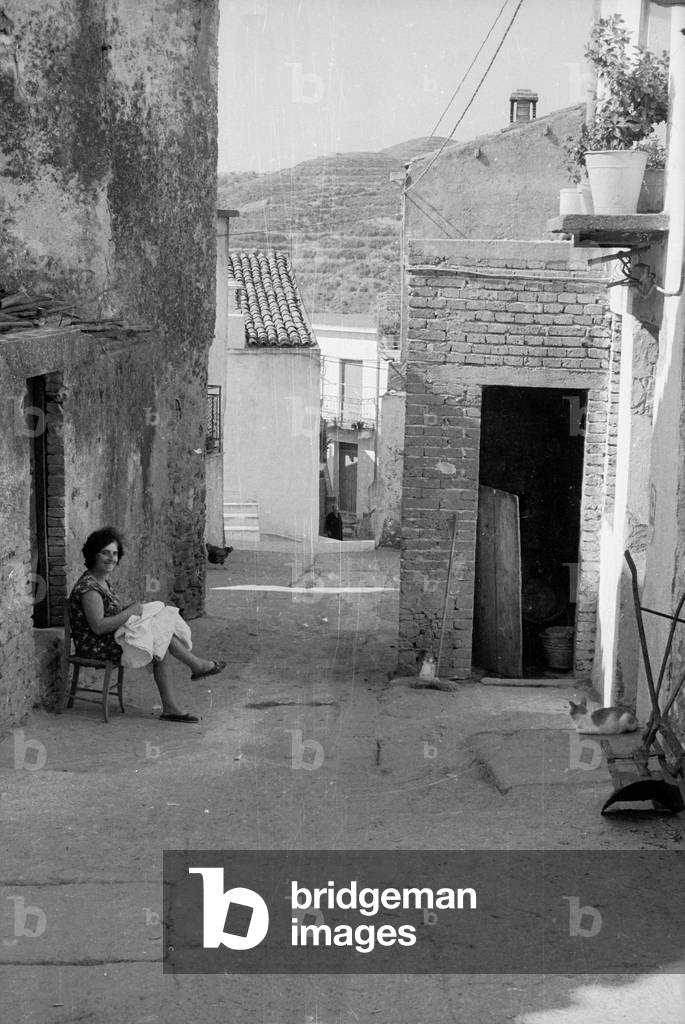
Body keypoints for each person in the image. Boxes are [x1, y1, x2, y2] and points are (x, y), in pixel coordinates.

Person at [68, 527, 226, 723]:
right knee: (160, 640)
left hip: (108, 638)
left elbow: (110, 613)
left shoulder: (101, 581)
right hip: (96, 646)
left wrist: (134, 609)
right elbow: (98, 626)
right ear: (93, 554)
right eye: (105, 553)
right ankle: (191, 674)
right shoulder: (89, 588)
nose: (111, 558)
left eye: (115, 553)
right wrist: (130, 612)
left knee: (159, 630)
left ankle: (185, 685)